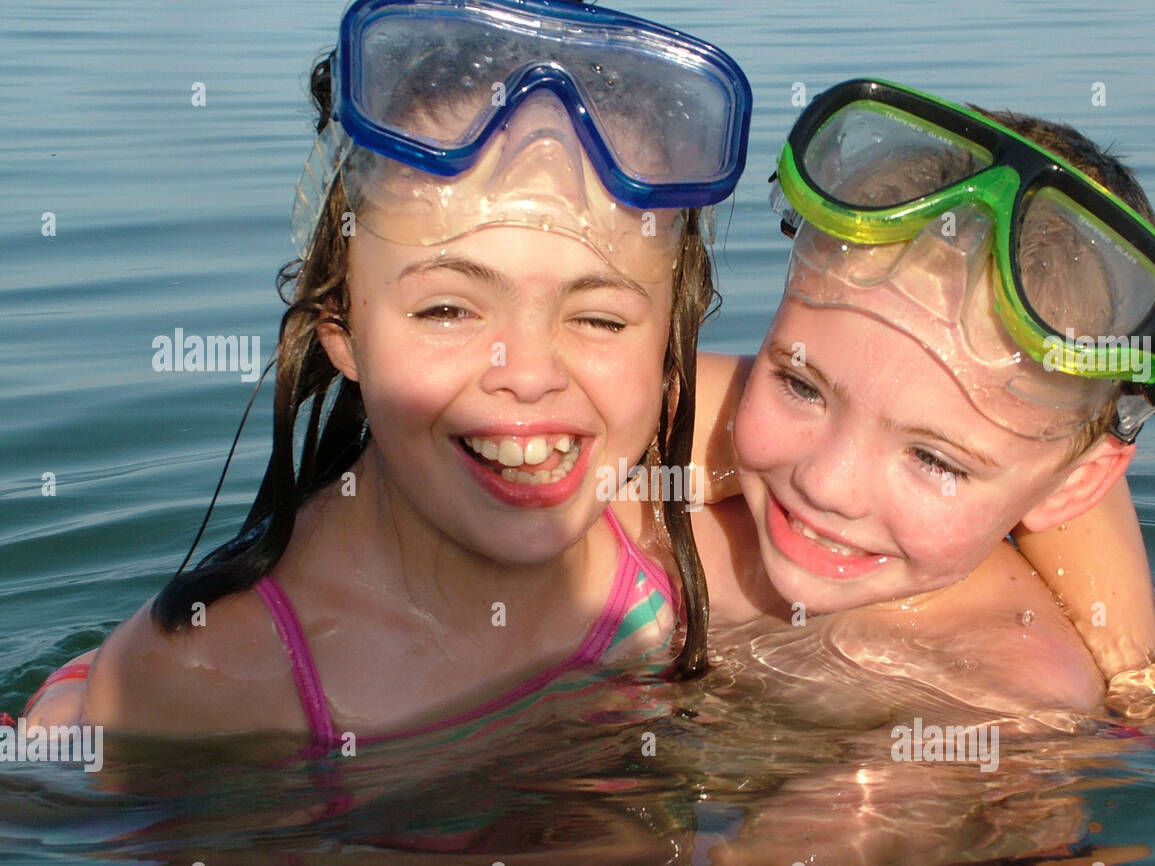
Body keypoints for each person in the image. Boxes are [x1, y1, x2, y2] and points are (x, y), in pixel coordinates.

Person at [21, 0, 751, 751]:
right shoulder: (215, 674)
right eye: (445, 310)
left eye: (598, 319)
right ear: (340, 325)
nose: (528, 377)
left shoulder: (677, 521)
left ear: (668, 349)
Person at [691, 78, 1155, 712]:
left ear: (1071, 488)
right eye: (800, 387)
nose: (827, 485)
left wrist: (1136, 678)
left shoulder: (1010, 701)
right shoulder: (683, 510)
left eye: (934, 460)